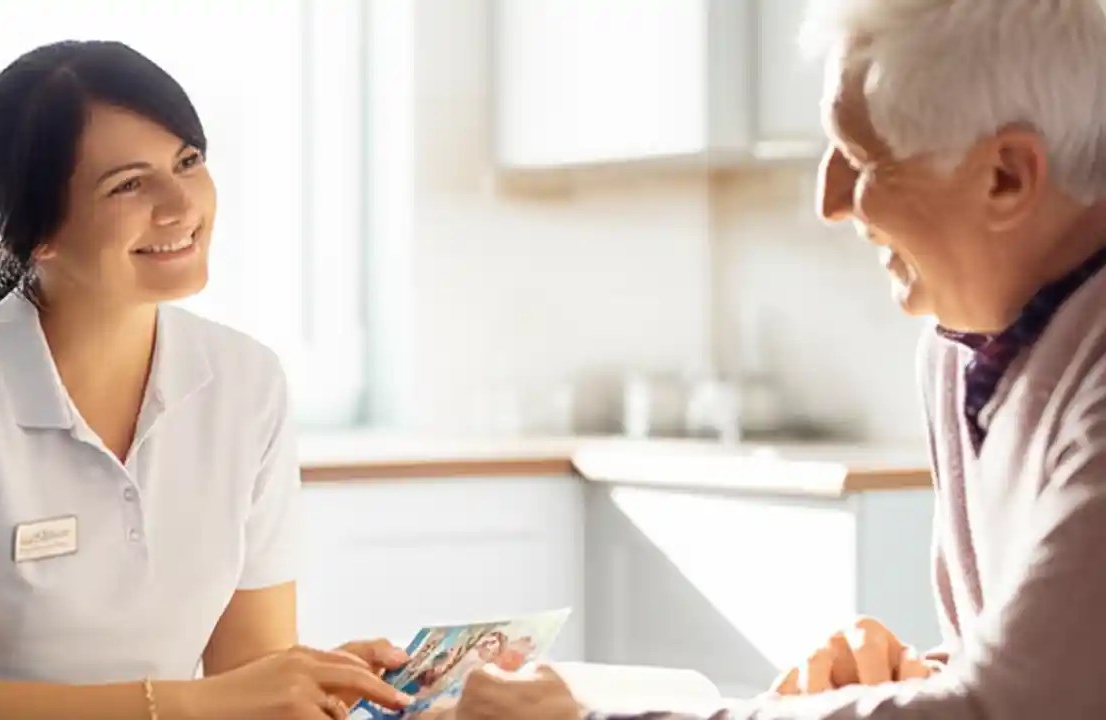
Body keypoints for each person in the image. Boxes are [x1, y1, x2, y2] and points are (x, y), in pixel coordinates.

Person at [440, 0, 1106, 717]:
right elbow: (1045, 673)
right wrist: (911, 681)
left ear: (1006, 176)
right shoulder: (961, 351)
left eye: (860, 159)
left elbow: (1013, 708)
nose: (829, 199)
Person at [0, 40, 411, 720]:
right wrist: (185, 704)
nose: (181, 205)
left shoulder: (246, 382)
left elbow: (241, 675)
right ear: (35, 233)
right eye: (129, 184)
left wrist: (310, 683)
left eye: (188, 162)